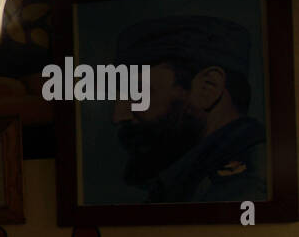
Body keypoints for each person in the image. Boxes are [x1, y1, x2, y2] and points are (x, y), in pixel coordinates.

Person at [110, 16, 266, 204]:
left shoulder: (242, 191)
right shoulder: (192, 181)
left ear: (208, 88)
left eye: (136, 93)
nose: (118, 116)